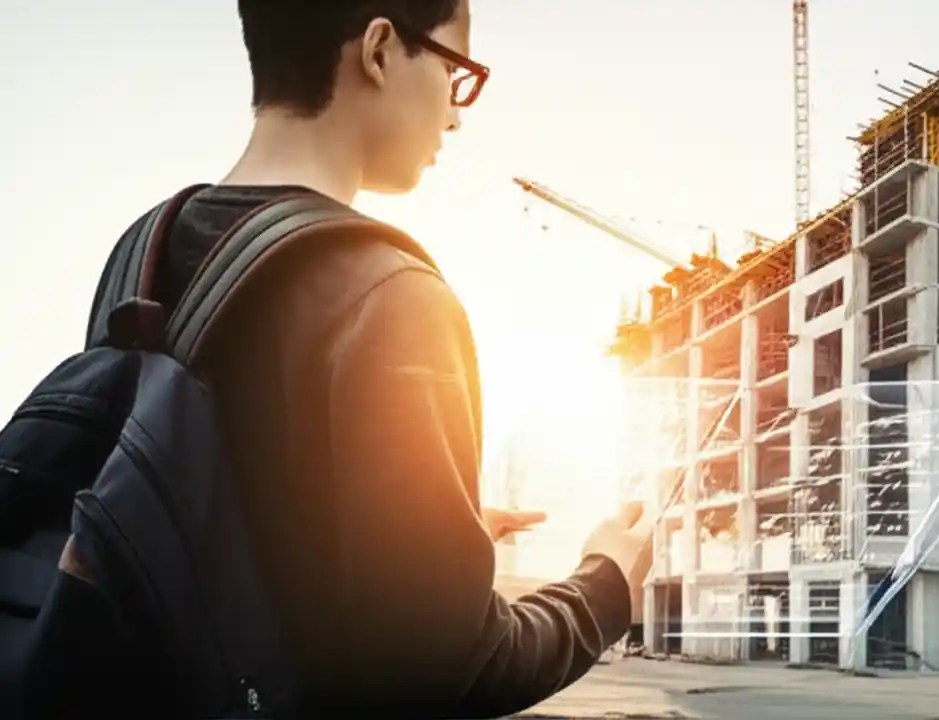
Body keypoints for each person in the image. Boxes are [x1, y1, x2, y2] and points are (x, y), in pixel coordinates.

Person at [73, 0, 651, 715]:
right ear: (379, 50)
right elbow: (452, 669)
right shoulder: (390, 292)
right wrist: (605, 583)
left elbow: (200, 516)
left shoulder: (139, 253)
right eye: (456, 71)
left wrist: (422, 522)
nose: (455, 116)